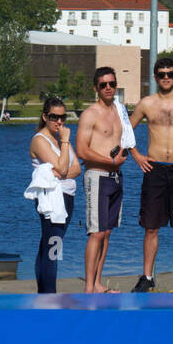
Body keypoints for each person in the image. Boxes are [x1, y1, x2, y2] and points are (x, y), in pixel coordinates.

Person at [128, 58, 173, 293]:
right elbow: (126, 132)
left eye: (170, 73)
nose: (166, 77)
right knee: (151, 227)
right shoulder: (146, 103)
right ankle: (147, 276)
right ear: (155, 77)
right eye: (161, 73)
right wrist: (137, 155)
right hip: (155, 169)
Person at [75, 67, 128, 293]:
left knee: (106, 232)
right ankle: (89, 287)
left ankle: (97, 283)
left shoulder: (119, 110)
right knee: (96, 233)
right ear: (96, 88)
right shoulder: (90, 114)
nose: (108, 88)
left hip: (116, 177)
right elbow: (82, 150)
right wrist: (110, 161)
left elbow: (128, 138)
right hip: (97, 176)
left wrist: (125, 157)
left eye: (112, 84)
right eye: (104, 85)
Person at [25, 96, 81, 294]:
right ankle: (49, 294)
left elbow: (75, 169)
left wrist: (63, 169)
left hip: (68, 197)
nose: (59, 121)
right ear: (44, 116)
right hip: (52, 200)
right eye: (54, 117)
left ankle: (43, 292)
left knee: (47, 245)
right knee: (53, 247)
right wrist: (65, 141)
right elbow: (62, 166)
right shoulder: (40, 140)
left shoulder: (59, 139)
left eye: (62, 117)